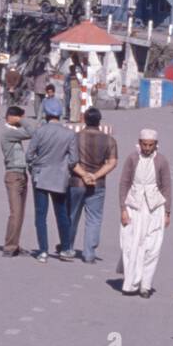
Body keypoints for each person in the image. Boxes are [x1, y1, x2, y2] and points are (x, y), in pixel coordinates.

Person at [117, 129, 172, 297]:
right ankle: (131, 283)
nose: (147, 148)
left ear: (156, 144)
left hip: (154, 208)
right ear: (139, 143)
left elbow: (166, 187)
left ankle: (145, 285)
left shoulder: (161, 161)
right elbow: (124, 183)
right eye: (144, 144)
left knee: (152, 247)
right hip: (133, 206)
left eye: (150, 145)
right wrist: (123, 209)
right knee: (130, 245)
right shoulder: (132, 158)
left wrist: (167, 212)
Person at [26, 104, 78, 262]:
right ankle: (66, 248)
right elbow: (74, 159)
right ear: (60, 115)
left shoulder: (40, 131)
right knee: (62, 214)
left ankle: (43, 251)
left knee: (41, 215)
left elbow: (29, 155)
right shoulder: (69, 134)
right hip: (59, 177)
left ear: (46, 115)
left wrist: (34, 166)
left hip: (40, 176)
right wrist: (64, 167)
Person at [68, 107, 118, 263]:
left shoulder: (74, 138)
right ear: (99, 121)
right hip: (98, 184)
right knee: (94, 219)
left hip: (76, 182)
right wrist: (95, 175)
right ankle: (89, 253)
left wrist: (83, 174)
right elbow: (112, 162)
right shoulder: (109, 140)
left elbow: (70, 161)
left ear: (84, 120)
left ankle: (68, 248)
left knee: (72, 216)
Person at [0, 104, 37, 256]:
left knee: (20, 213)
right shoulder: (8, 132)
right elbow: (32, 133)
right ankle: (9, 246)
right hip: (13, 175)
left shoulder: (13, 132)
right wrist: (22, 121)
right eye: (20, 116)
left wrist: (19, 120)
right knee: (15, 212)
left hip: (21, 174)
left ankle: (14, 244)